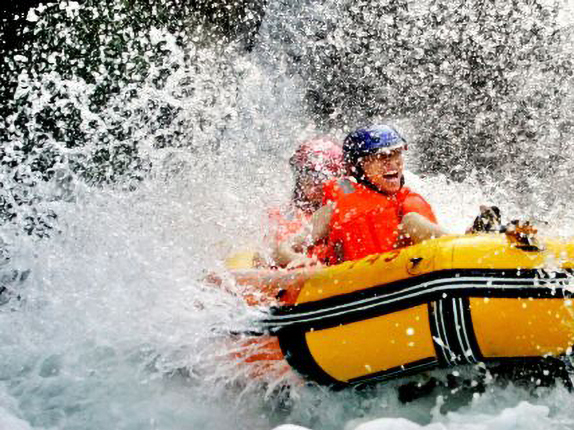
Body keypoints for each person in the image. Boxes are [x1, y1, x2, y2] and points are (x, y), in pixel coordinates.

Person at [275, 124, 448, 266]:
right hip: (355, 282)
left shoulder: (408, 203)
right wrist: (297, 259)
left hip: (404, 272)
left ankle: (464, 241)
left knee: (413, 221)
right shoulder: (334, 209)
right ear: (359, 167)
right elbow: (283, 248)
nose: (392, 163)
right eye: (381, 157)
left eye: (397, 154)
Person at [266, 137, 344, 267]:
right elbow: (270, 253)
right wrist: (294, 258)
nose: (314, 185)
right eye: (306, 177)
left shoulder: (341, 208)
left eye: (320, 179)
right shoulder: (284, 216)